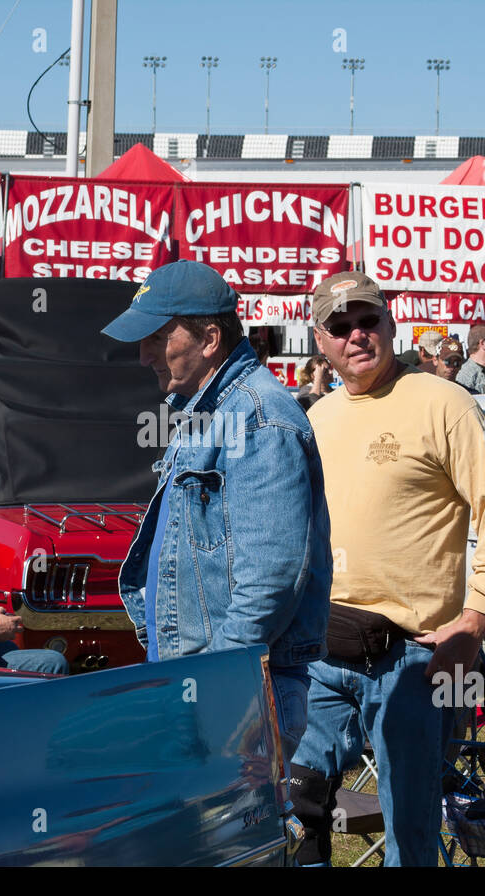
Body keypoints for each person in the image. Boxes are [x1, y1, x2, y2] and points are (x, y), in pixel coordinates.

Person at [290, 271, 485, 867]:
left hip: (415, 656)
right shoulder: (316, 417)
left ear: (391, 324)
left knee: (410, 836)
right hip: (321, 653)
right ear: (321, 340)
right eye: (340, 327)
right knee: (297, 807)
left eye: (368, 320)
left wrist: (474, 622)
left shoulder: (443, 401)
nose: (357, 335)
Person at [102, 260, 332, 764]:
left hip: (234, 694)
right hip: (212, 683)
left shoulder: (259, 417)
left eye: (158, 338)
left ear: (209, 339)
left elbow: (270, 579)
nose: (144, 357)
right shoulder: (214, 411)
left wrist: (216, 686)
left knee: (222, 840)